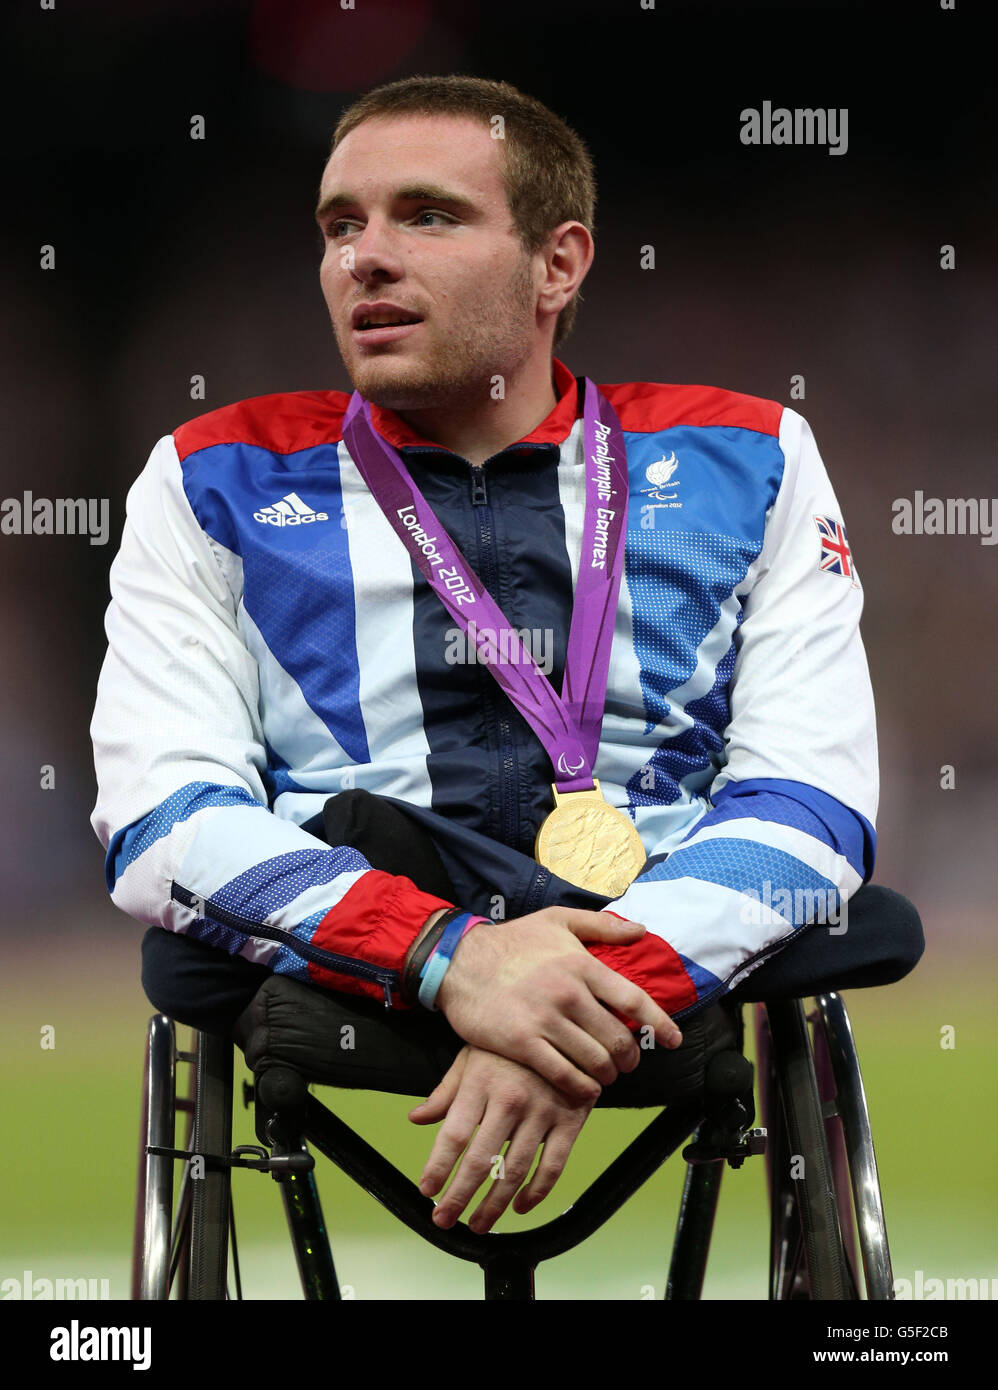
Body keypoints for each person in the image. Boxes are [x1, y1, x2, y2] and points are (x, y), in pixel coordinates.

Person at [90, 75, 878, 1238]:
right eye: (339, 224)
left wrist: (568, 1006)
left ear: (557, 264)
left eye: (426, 215)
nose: (364, 257)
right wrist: (452, 960)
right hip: (358, 939)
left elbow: (812, 803)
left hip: (656, 924)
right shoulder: (213, 476)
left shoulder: (746, 455)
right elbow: (161, 817)